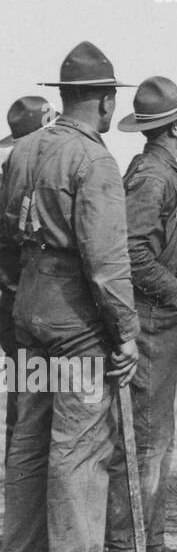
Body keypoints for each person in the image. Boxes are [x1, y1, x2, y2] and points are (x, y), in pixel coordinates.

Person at [0, 43, 140, 552]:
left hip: (27, 311)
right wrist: (125, 331)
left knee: (30, 437)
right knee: (80, 440)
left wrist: (21, 289)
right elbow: (106, 261)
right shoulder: (94, 159)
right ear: (106, 102)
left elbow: (5, 239)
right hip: (76, 317)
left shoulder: (23, 150)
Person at [105, 75, 177, 552]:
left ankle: (152, 538)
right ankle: (127, 546)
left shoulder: (163, 170)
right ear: (170, 127)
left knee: (157, 434)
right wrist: (176, 295)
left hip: (162, 325)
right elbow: (131, 248)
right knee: (144, 435)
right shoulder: (152, 177)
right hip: (150, 323)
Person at [1, 95, 56, 452]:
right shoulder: (32, 179)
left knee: (25, 394)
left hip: (14, 304)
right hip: (30, 301)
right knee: (34, 398)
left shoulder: (9, 177)